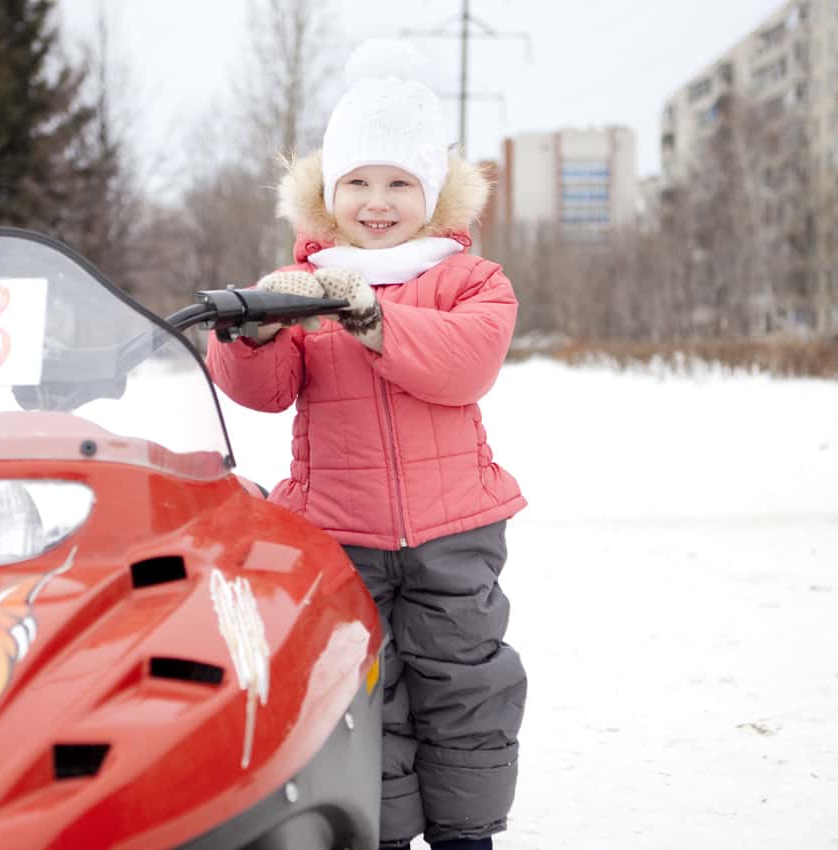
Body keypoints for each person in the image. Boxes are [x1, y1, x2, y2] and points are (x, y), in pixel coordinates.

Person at [205, 39, 528, 850]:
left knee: (464, 688)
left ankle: (465, 837)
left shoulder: (469, 280)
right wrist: (253, 330)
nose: (376, 203)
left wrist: (374, 318)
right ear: (327, 191)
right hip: (338, 533)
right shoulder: (301, 285)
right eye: (357, 182)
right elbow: (262, 392)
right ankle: (379, 833)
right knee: (361, 693)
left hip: (454, 530)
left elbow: (464, 366)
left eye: (398, 183)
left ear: (432, 192)